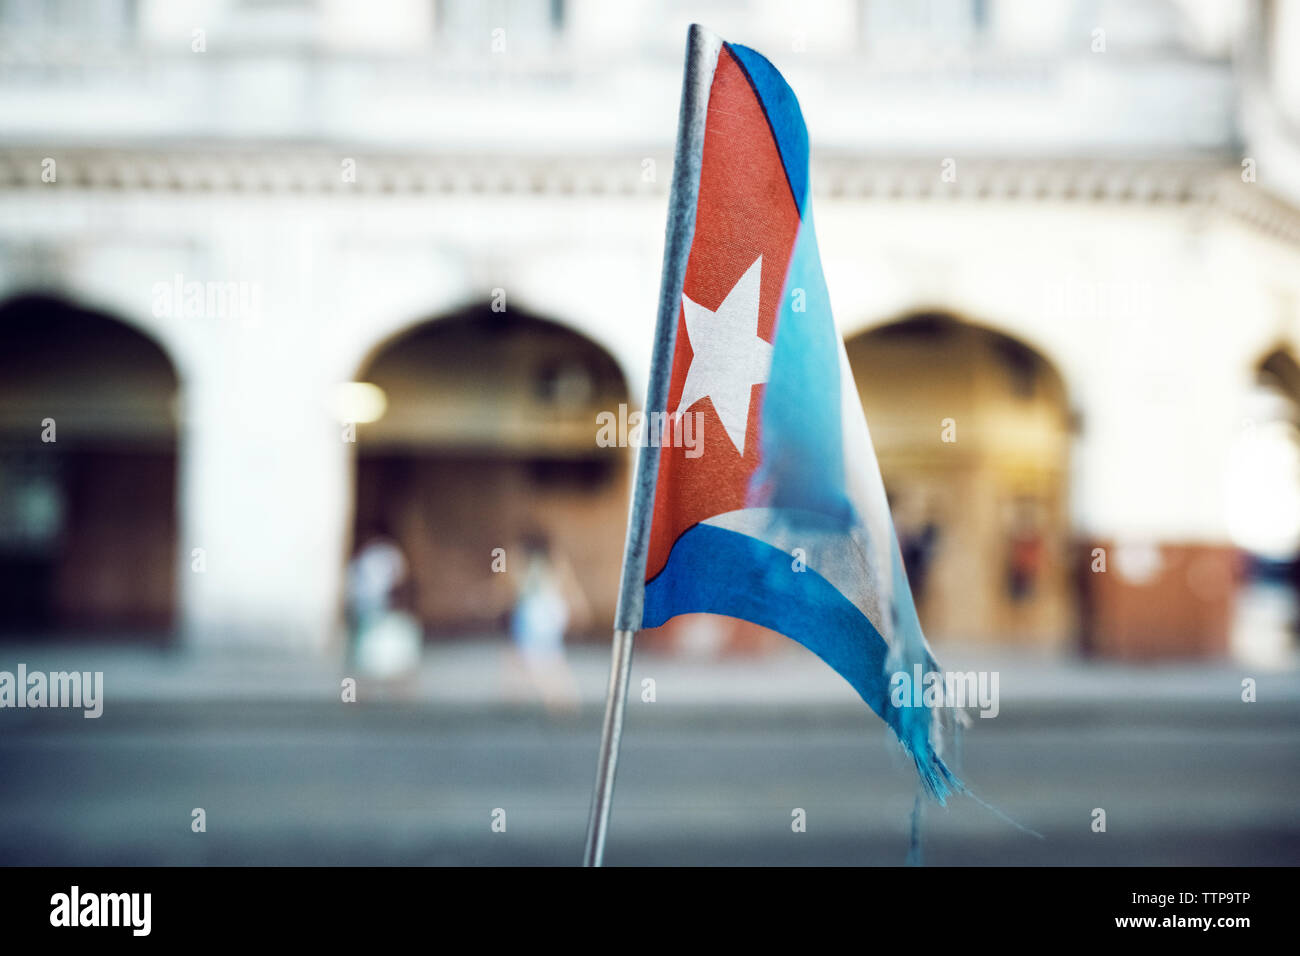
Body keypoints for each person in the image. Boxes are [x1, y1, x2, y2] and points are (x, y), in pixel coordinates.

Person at [507, 531, 589, 714]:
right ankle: (521, 698)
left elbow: (568, 587)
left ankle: (562, 702)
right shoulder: (550, 562)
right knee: (527, 658)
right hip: (542, 614)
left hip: (539, 616)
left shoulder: (535, 564)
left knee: (544, 661)